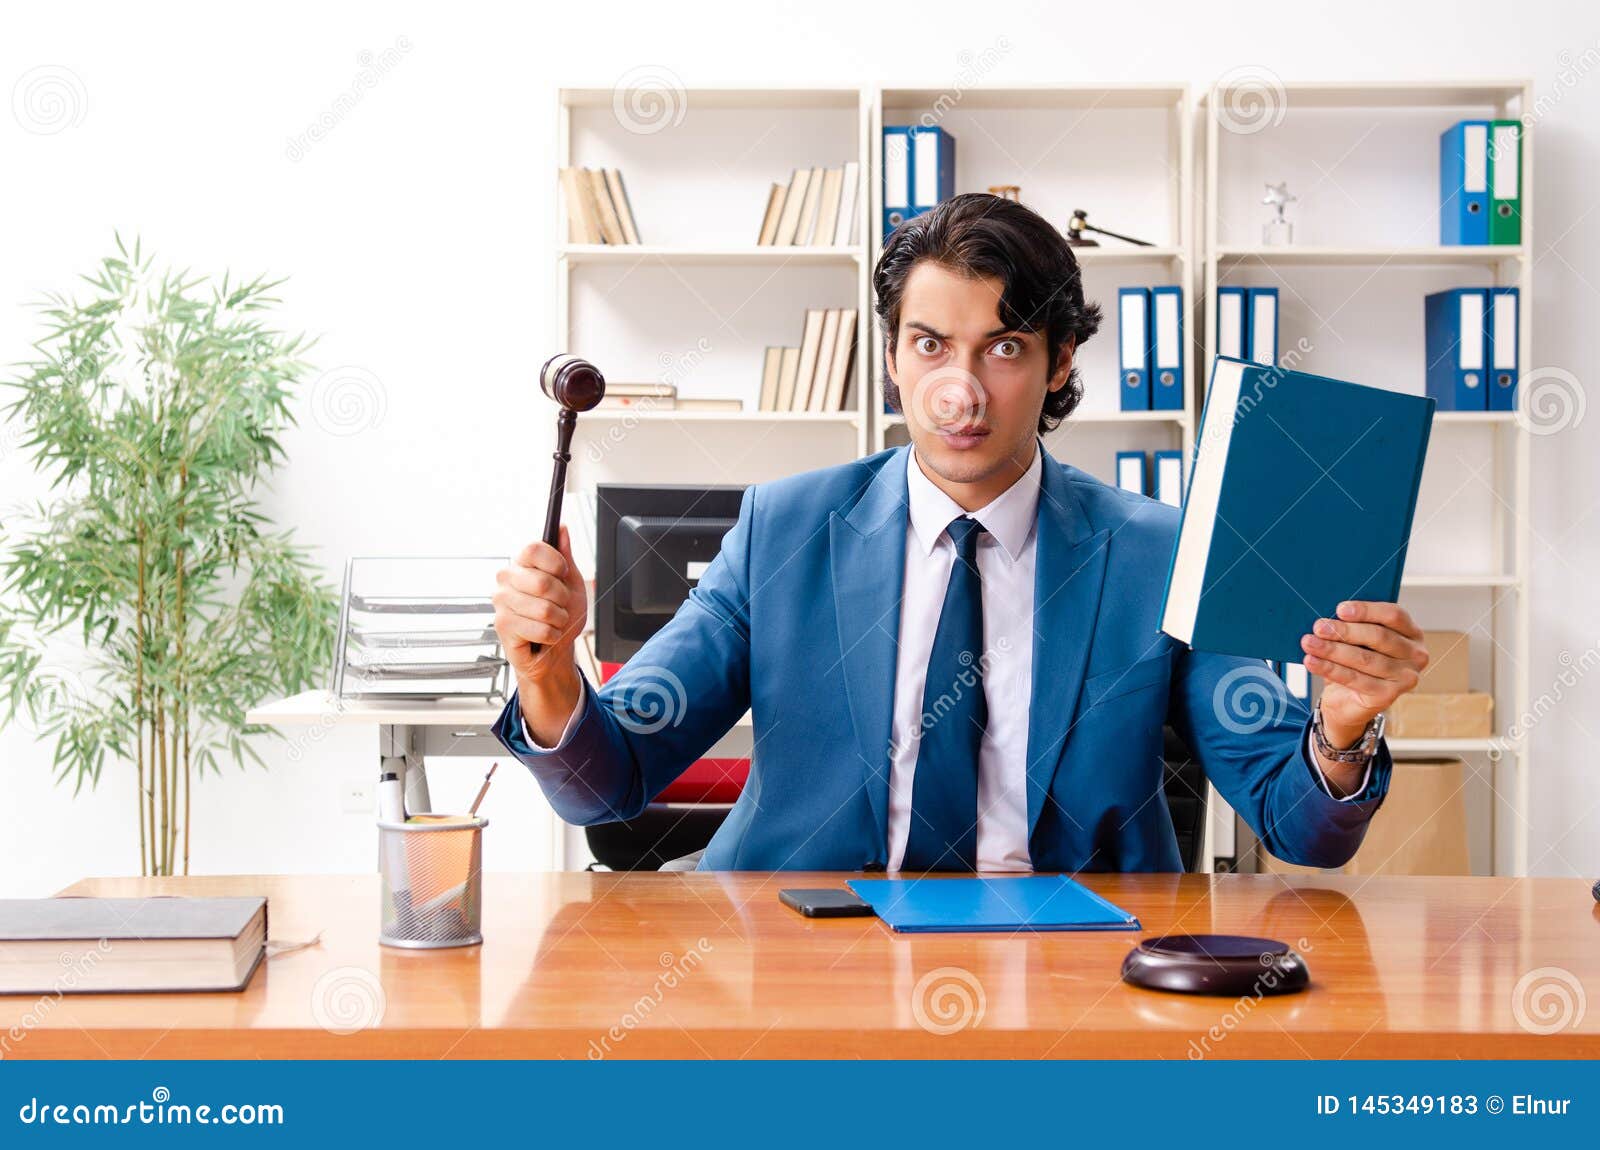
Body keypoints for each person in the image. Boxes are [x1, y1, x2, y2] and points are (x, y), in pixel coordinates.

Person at [490, 192, 1429, 873]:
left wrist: (1341, 728)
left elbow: (1301, 828)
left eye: (1005, 347)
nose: (963, 390)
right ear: (894, 361)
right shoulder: (781, 530)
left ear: (1062, 363)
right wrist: (549, 676)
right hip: (805, 959)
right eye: (931, 344)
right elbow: (604, 787)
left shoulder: (1162, 552)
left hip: (1074, 966)